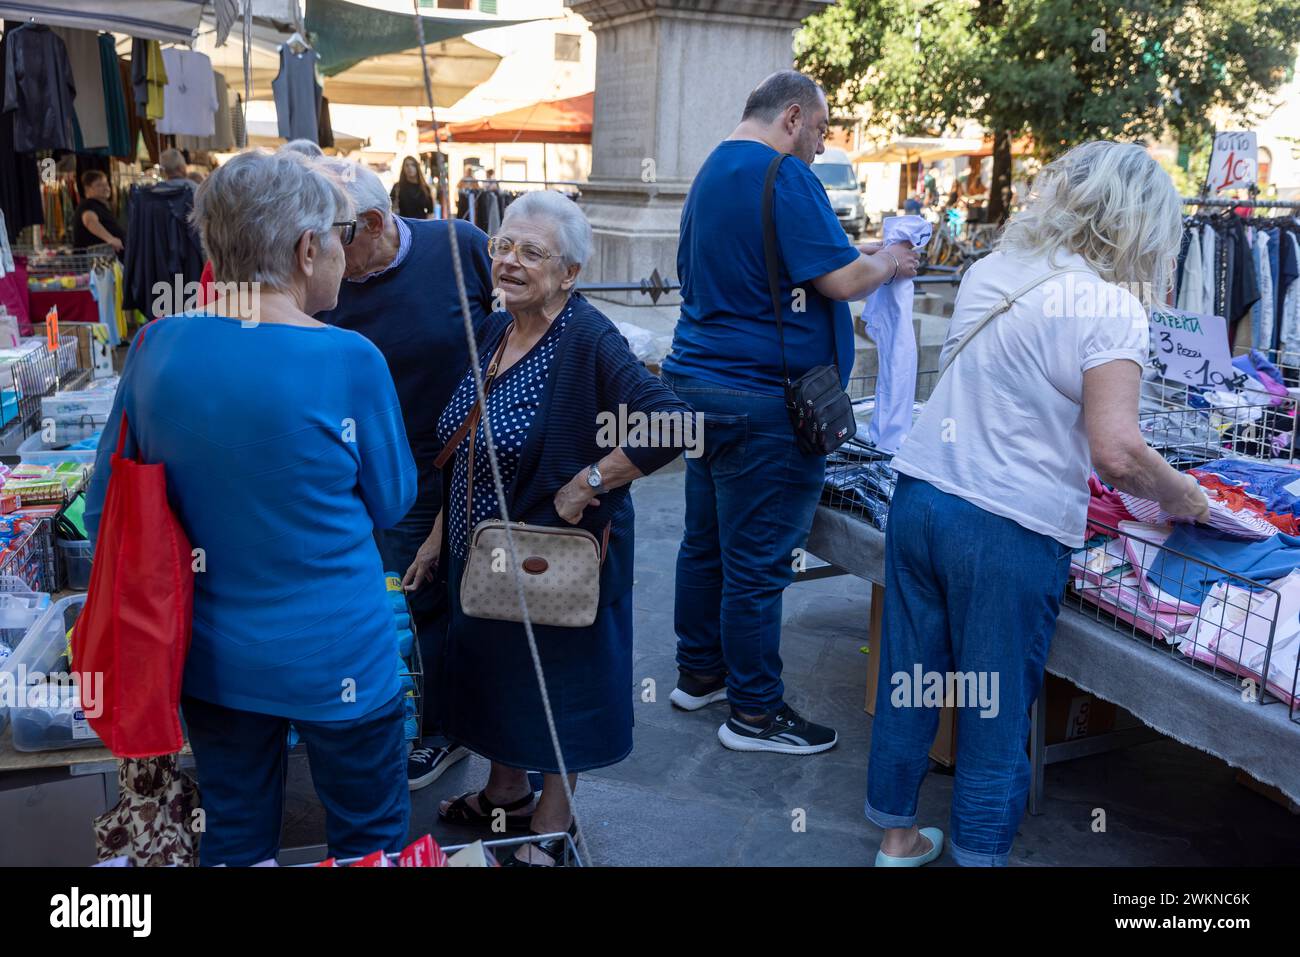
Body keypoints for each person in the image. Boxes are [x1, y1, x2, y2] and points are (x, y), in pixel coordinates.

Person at [865, 141, 1211, 867]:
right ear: (1138, 223)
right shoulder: (1112, 308)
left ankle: (897, 837)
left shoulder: (994, 268)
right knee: (993, 711)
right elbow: (1117, 452)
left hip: (923, 494)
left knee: (911, 673)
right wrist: (1186, 495)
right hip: (1005, 525)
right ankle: (978, 856)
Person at [83, 149, 418, 866]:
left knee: (233, 836)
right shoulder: (351, 359)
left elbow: (103, 502)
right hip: (341, 654)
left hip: (215, 660)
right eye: (337, 236)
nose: (340, 251)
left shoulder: (153, 347)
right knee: (369, 838)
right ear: (305, 248)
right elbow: (394, 501)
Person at [402, 191, 693, 866]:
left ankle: (551, 827)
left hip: (553, 557)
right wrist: (437, 536)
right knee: (499, 679)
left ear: (569, 274)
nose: (509, 261)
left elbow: (672, 421)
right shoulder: (498, 328)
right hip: (488, 556)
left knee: (559, 687)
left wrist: (588, 483)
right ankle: (505, 795)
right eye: (502, 245)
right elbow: (467, 446)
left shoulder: (587, 337)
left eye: (532, 252)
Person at [660, 69, 919, 755]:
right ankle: (753, 712)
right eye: (823, 133)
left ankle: (700, 672)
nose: (820, 148)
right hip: (762, 401)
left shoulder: (713, 168)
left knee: (706, 540)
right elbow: (839, 279)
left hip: (698, 385)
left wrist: (861, 256)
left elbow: (792, 263)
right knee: (755, 562)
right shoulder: (785, 173)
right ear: (794, 117)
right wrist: (891, 258)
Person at [315, 157, 494, 790]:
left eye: (332, 238)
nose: (320, 253)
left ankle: (493, 733)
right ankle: (440, 730)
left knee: (488, 593)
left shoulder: (461, 245)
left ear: (370, 223)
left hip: (480, 456)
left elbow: (500, 331)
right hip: (397, 466)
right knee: (418, 591)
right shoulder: (327, 285)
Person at [72, 171, 124, 253]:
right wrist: (110, 239)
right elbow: (89, 220)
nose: (106, 188)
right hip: (93, 261)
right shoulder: (88, 204)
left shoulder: (100, 206)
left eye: (106, 184)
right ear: (87, 188)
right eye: (99, 185)